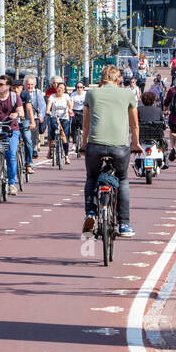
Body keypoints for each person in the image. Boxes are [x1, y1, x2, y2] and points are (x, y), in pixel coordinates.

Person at [81, 64, 140, 238]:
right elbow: (134, 124)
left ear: (102, 79)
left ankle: (91, 213)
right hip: (119, 147)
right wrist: (135, 143)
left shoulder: (91, 93)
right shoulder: (128, 94)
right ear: (118, 79)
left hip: (95, 145)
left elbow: (86, 123)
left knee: (92, 177)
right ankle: (124, 224)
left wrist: (84, 144)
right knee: (122, 179)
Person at [44, 81, 73, 164]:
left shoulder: (66, 96)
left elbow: (70, 105)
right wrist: (48, 110)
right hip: (54, 117)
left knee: (65, 137)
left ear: (64, 90)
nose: (60, 90)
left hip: (64, 118)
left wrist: (70, 109)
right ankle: (52, 145)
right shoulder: (52, 96)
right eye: (59, 88)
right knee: (53, 128)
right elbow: (49, 105)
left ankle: (66, 156)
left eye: (62, 89)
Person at [21, 75, 45, 167]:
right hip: (22, 117)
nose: (30, 86)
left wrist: (41, 116)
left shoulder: (37, 92)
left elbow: (42, 105)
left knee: (31, 137)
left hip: (34, 116)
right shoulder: (21, 93)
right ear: (24, 85)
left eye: (32, 84)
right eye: (28, 84)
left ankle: (33, 149)